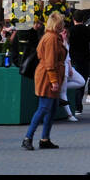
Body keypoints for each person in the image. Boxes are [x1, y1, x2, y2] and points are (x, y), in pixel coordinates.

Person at [23, 12, 68, 151]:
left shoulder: (54, 37)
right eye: (61, 23)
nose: (63, 26)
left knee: (51, 108)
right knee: (44, 107)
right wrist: (54, 81)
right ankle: (28, 137)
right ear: (56, 24)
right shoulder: (51, 38)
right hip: (47, 77)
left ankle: (45, 139)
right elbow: (50, 62)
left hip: (50, 75)